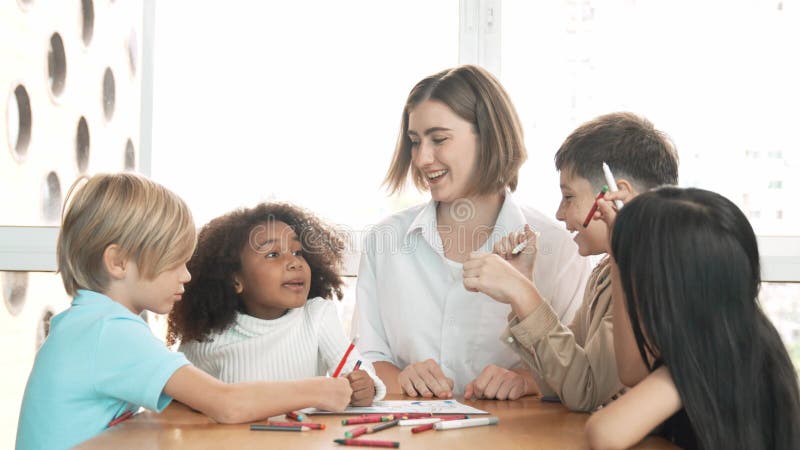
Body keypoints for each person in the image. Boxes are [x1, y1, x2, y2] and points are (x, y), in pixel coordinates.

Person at [16, 174, 351, 450]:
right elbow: (226, 403)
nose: (186, 276)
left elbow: (187, 403)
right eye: (174, 262)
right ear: (118, 262)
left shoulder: (87, 322)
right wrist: (321, 390)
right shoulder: (109, 331)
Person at [354, 64, 592, 399]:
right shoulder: (385, 242)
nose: (422, 158)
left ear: (489, 137)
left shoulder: (558, 246)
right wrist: (402, 378)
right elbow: (366, 360)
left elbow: (584, 369)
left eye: (439, 139)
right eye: (414, 141)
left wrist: (526, 380)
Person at [463, 112, 679, 409]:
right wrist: (523, 286)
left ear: (618, 196)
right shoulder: (606, 272)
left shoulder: (654, 277)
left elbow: (586, 391)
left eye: (569, 197)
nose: (560, 214)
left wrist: (523, 293)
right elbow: (566, 378)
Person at [585, 187, 800, 450]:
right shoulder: (735, 335)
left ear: (668, 290)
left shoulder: (706, 363)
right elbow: (632, 370)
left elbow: (604, 434)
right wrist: (619, 252)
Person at [167, 202, 385, 405]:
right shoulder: (206, 338)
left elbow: (355, 366)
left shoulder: (316, 316)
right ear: (235, 279)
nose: (293, 262)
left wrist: (366, 386)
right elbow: (177, 398)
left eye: (298, 252)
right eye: (273, 254)